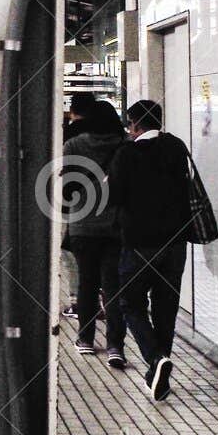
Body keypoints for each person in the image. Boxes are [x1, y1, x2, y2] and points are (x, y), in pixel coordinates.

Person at [106, 99, 192, 402]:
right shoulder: (176, 148)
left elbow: (113, 196)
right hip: (175, 244)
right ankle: (160, 378)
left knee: (132, 304)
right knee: (165, 309)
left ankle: (155, 360)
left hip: (139, 245)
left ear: (134, 124)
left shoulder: (126, 153)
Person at [63, 100, 127, 364]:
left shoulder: (74, 146)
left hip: (83, 226)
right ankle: (115, 345)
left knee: (86, 284)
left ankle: (86, 338)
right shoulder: (126, 146)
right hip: (116, 227)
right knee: (113, 287)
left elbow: (66, 190)